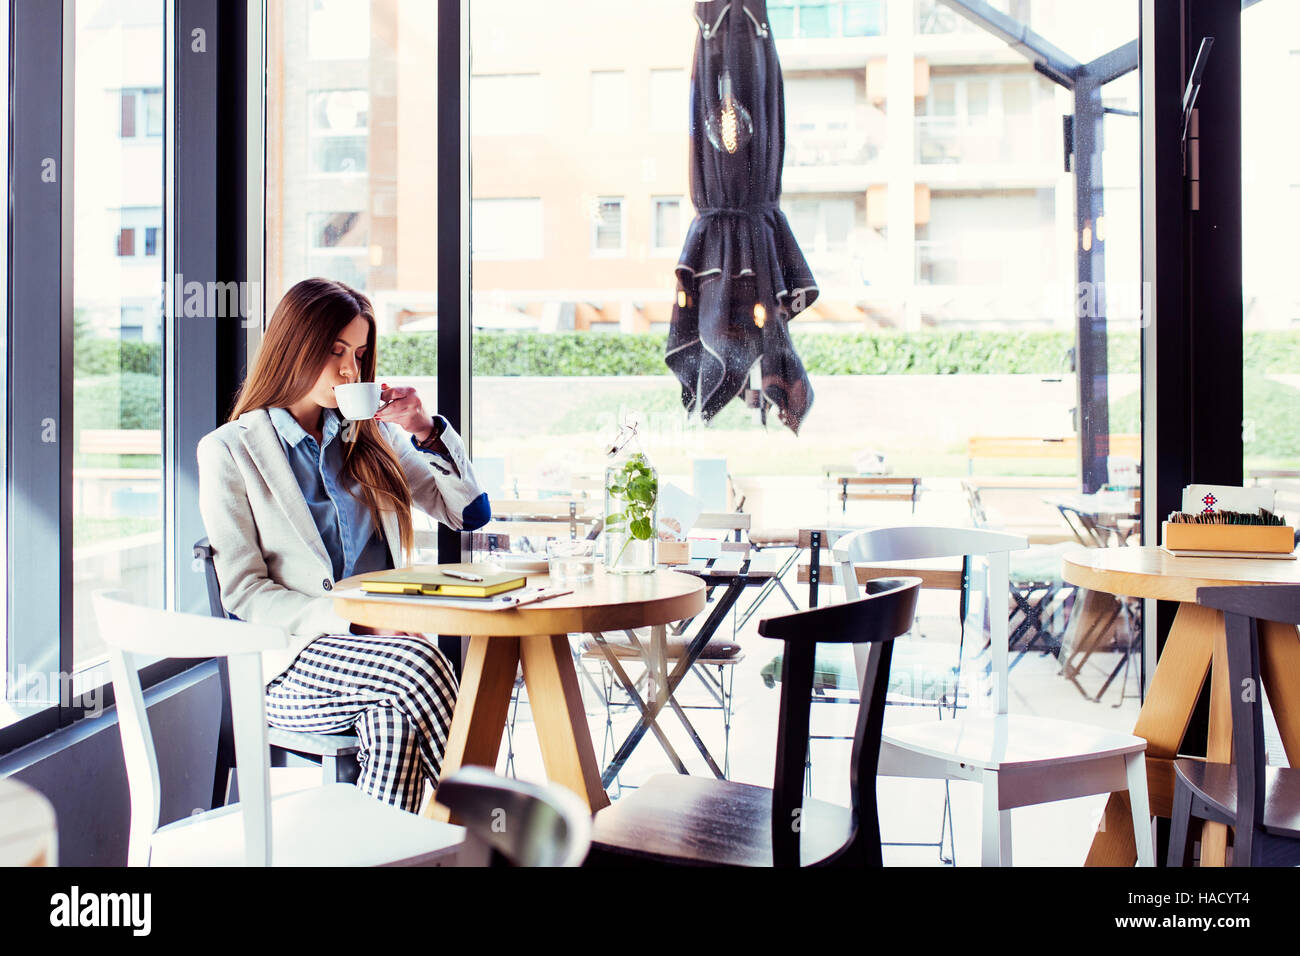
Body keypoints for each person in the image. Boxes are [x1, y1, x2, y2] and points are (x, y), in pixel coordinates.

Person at [197, 277, 489, 812]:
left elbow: (467, 513)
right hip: (289, 667)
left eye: (358, 353)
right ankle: (498, 832)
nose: (351, 370)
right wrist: (356, 621)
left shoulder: (372, 437)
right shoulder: (229, 451)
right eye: (335, 352)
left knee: (394, 722)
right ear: (293, 346)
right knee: (420, 663)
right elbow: (243, 592)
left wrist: (424, 428)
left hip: (382, 669)